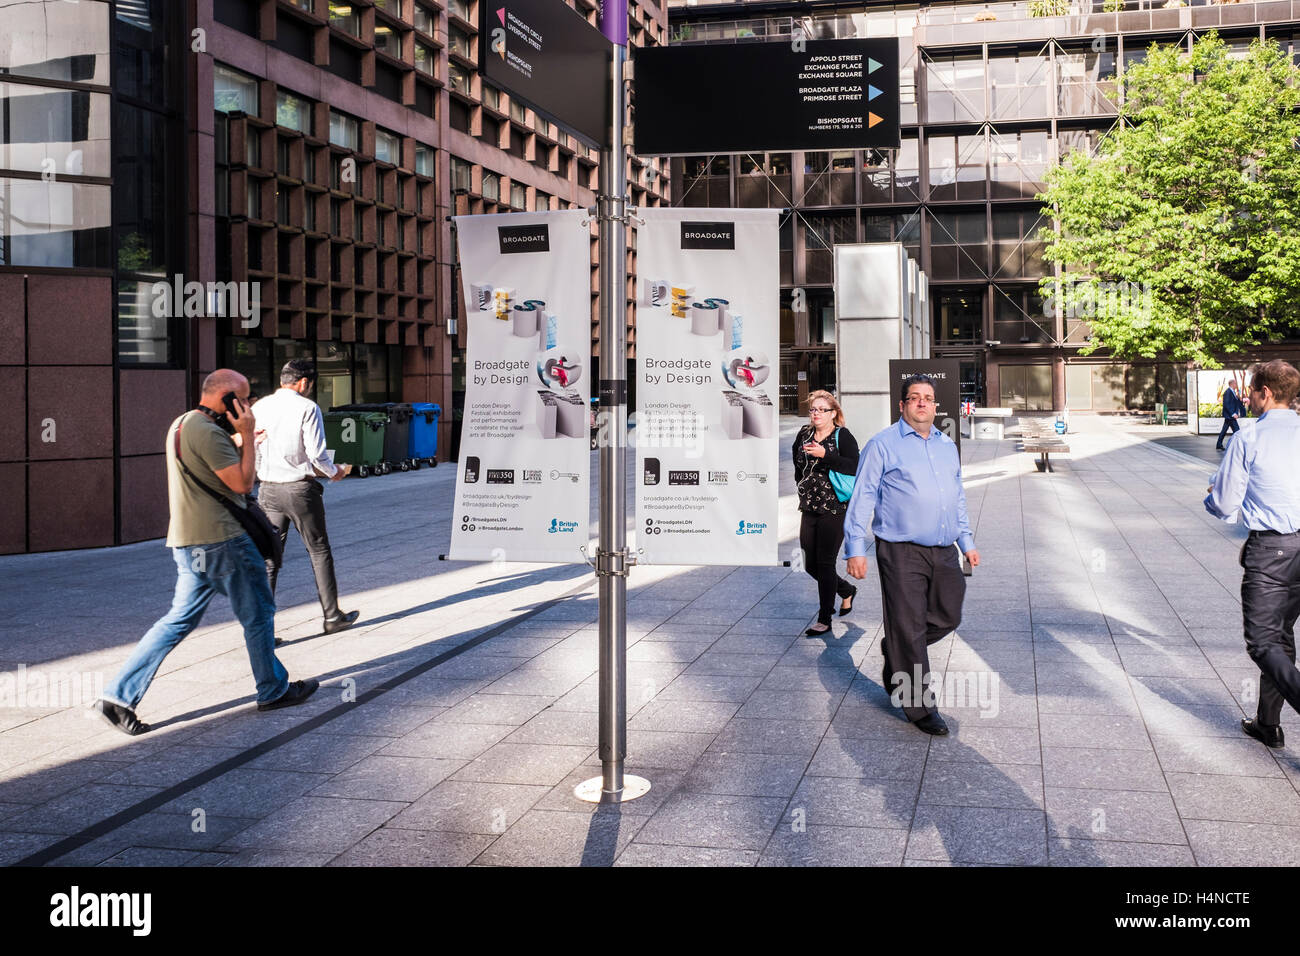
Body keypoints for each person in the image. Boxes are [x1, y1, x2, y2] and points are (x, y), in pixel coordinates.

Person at [96, 370, 320, 735]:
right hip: (223, 542)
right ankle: (273, 689)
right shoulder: (211, 433)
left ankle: (117, 698)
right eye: (244, 399)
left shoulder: (184, 424)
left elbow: (207, 462)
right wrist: (247, 437)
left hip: (188, 544)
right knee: (259, 613)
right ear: (227, 398)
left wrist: (236, 439)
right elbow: (244, 482)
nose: (248, 407)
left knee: (177, 621)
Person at [843, 374, 980, 736]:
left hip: (945, 549)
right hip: (900, 550)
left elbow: (957, 497)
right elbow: (862, 499)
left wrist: (966, 540)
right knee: (909, 625)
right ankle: (919, 707)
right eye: (915, 397)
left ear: (936, 406)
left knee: (948, 615)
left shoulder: (946, 445)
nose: (922, 403)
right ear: (902, 405)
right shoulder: (882, 444)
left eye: (928, 398)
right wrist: (855, 549)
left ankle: (898, 647)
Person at [1204, 359, 1300, 749]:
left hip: (1272, 550)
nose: (1249, 397)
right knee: (1281, 634)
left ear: (1265, 393)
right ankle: (1267, 723)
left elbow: (1225, 505)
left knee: (1262, 642)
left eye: (1253, 391)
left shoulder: (1249, 437)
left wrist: (1211, 495)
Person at [252, 359, 360, 637]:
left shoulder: (259, 406)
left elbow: (253, 447)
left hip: (268, 489)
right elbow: (316, 453)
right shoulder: (307, 407)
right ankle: (332, 617)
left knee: (269, 559)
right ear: (303, 383)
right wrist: (334, 471)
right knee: (319, 550)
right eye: (310, 384)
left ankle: (263, 632)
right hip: (300, 489)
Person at [793, 390, 860, 636]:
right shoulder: (803, 434)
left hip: (835, 507)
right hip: (809, 507)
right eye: (813, 409)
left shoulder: (842, 436)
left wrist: (826, 455)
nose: (816, 414)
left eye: (822, 409)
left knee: (825, 562)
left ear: (833, 413)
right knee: (809, 562)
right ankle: (845, 590)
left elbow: (854, 466)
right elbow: (798, 465)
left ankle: (824, 618)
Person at [1216, 379, 1245, 451]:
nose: (1236, 385)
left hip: (1229, 416)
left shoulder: (1232, 392)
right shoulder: (1228, 392)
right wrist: (1233, 414)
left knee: (1224, 430)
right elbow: (1227, 404)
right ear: (1232, 384)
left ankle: (1219, 444)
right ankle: (1239, 446)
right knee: (1237, 431)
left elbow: (1235, 402)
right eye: (1235, 383)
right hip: (1230, 416)